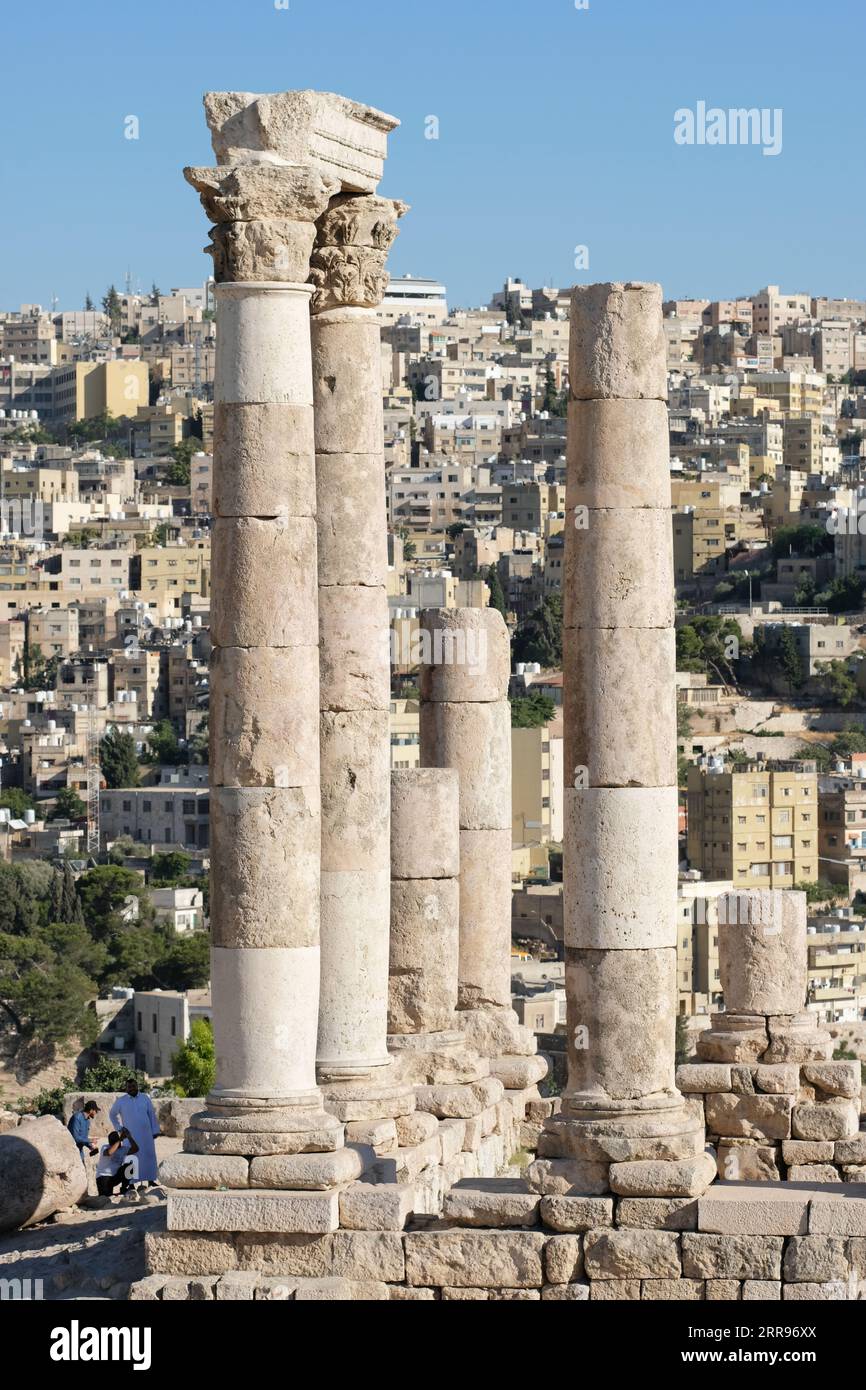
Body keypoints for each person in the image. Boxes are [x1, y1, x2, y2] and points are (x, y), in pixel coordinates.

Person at [109, 1078, 160, 1185]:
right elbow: (112, 1114)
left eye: (133, 1086)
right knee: (131, 1157)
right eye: (129, 1087)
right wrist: (119, 1128)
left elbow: (151, 1114)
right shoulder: (121, 1101)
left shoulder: (145, 1098)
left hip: (146, 1134)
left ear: (137, 1086)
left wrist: (155, 1130)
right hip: (130, 1136)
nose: (132, 1088)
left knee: (149, 1156)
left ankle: (151, 1180)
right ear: (126, 1088)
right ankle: (130, 1183)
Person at [95, 1129, 140, 1197]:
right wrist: (120, 1139)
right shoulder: (105, 1147)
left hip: (115, 1177)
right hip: (103, 1177)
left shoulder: (123, 1149)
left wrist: (129, 1137)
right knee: (105, 1198)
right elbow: (110, 1152)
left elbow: (135, 1149)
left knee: (129, 1166)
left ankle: (124, 1188)